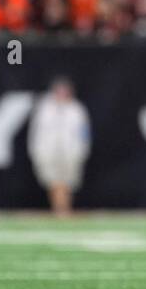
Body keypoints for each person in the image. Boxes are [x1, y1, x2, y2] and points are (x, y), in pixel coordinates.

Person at [28, 77, 91, 216]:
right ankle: (59, 210)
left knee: (66, 183)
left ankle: (63, 209)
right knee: (53, 183)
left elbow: (84, 133)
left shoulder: (77, 110)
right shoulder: (44, 109)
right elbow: (36, 132)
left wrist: (82, 151)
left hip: (70, 153)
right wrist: (36, 151)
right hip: (48, 152)